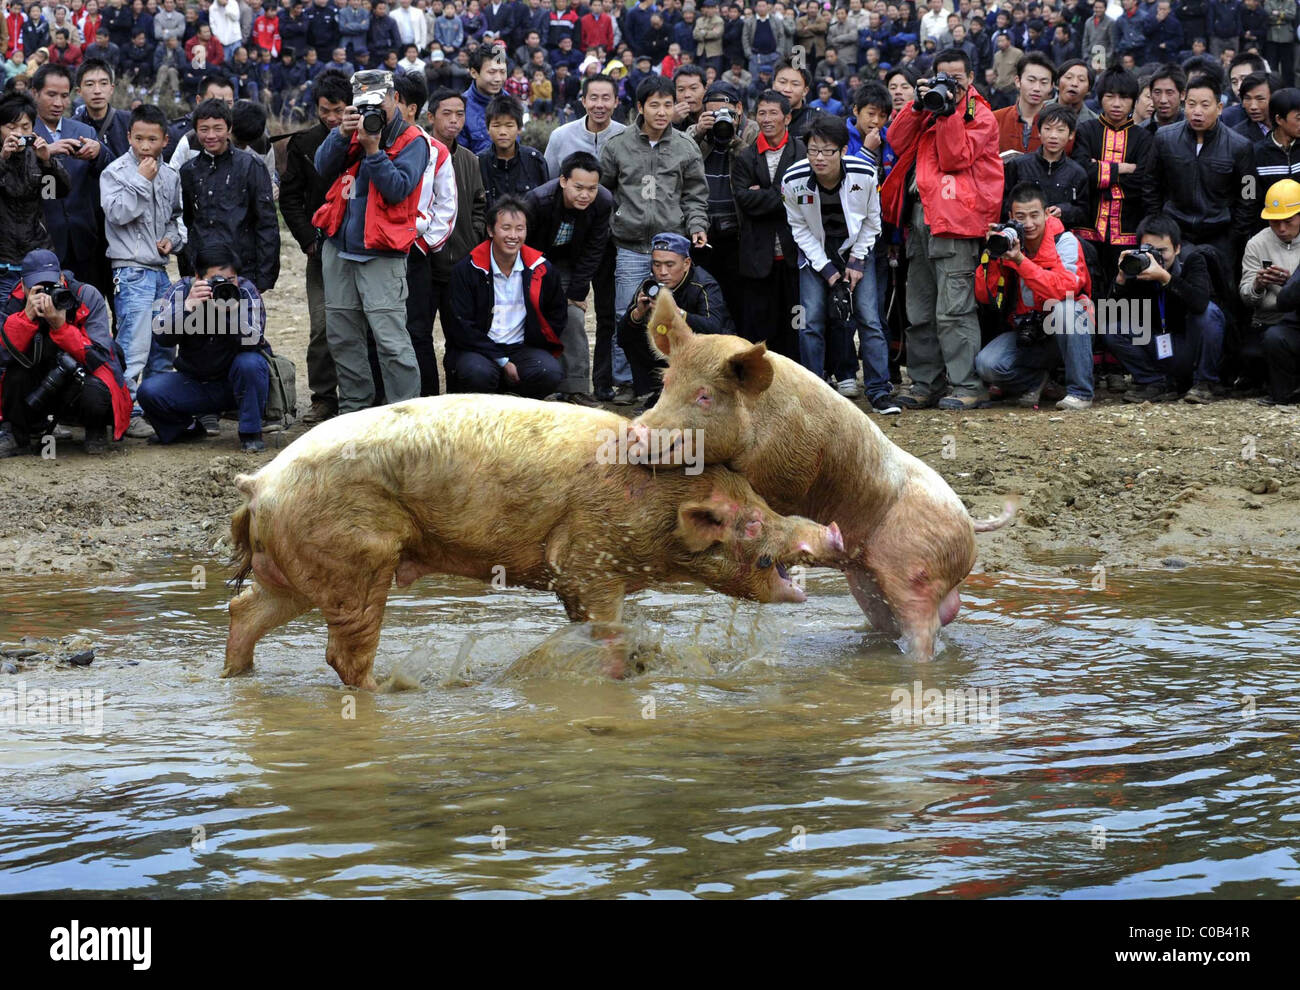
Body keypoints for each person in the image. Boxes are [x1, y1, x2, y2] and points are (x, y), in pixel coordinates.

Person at [880, 47, 1003, 411]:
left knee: (954, 310)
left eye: (957, 79)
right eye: (942, 78)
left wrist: (947, 112)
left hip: (957, 222)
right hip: (919, 219)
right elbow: (896, 140)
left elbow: (955, 158)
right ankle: (925, 383)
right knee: (920, 309)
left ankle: (967, 384)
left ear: (971, 79)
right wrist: (918, 106)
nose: (949, 86)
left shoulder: (980, 115)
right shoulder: (927, 108)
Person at [313, 68, 428, 413]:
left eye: (379, 103)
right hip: (340, 248)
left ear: (395, 98)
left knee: (391, 341)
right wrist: (340, 133)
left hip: (381, 254)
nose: (372, 111)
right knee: (343, 337)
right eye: (363, 104)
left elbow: (397, 190)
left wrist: (374, 150)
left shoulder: (413, 141)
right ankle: (354, 410)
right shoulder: (353, 129)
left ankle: (404, 416)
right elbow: (322, 167)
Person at [600, 74, 708, 405]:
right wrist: (613, 223)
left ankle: (670, 378)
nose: (662, 112)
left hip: (671, 246)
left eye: (668, 104)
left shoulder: (685, 147)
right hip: (630, 246)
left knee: (670, 314)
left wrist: (697, 225)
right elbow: (604, 192)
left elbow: (695, 194)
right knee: (628, 312)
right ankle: (626, 381)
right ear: (640, 108)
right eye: (654, 105)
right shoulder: (618, 145)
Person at [782, 114, 895, 412]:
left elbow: (873, 221)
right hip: (816, 252)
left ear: (844, 150)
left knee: (869, 318)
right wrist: (827, 270)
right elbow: (799, 230)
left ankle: (879, 390)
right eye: (812, 150)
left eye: (827, 151)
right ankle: (814, 393)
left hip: (857, 247)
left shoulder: (863, 173)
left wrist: (857, 260)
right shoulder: (793, 180)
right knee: (810, 321)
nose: (819, 158)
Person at [100, 102, 183, 441]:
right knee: (133, 346)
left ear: (165, 140)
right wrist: (139, 180)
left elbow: (177, 219)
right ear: (128, 136)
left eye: (153, 139)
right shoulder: (116, 172)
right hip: (130, 272)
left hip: (160, 270)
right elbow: (116, 214)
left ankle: (156, 407)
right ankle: (126, 411)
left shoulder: (171, 175)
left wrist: (172, 240)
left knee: (164, 347)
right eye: (139, 139)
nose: (145, 146)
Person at [973, 181, 1095, 411]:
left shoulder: (1065, 241)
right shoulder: (1009, 242)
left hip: (1070, 332)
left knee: (1066, 309)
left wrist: (1021, 261)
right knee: (987, 364)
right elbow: (984, 296)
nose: (1028, 224)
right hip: (1029, 332)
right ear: (1010, 215)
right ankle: (1038, 381)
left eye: (1034, 215)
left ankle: (1080, 392)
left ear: (1047, 214)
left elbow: (1063, 289)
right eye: (1020, 217)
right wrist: (993, 253)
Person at [140, 244, 271, 452]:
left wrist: (228, 313)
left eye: (231, 279)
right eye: (216, 281)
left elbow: (254, 340)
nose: (226, 285)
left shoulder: (245, 291)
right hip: (196, 381)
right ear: (198, 277)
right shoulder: (182, 290)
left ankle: (251, 434)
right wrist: (188, 307)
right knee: (149, 391)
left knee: (250, 363)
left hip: (236, 381)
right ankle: (187, 429)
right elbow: (162, 338)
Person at [0, 247, 129, 456]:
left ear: (61, 277)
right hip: (41, 378)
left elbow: (101, 358)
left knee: (98, 385)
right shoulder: (15, 301)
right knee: (15, 375)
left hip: (79, 378)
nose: (46, 294)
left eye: (52, 285)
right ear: (22, 285)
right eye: (37, 288)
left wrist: (60, 326)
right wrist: (25, 318)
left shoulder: (85, 295)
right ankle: (19, 436)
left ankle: (95, 429)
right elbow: (3, 356)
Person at [279, 69, 349, 424]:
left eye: (339, 109)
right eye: (326, 110)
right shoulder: (304, 144)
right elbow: (289, 200)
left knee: (360, 324)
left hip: (361, 249)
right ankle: (324, 396)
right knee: (322, 325)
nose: (333, 118)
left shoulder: (366, 140)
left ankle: (358, 397)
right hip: (320, 250)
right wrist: (307, 239)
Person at [444, 194, 567, 397]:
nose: (513, 235)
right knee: (477, 374)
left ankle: (517, 402)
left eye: (520, 229)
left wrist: (539, 344)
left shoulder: (541, 268)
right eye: (506, 228)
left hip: (521, 347)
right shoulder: (468, 269)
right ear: (490, 230)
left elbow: (557, 313)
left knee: (549, 372)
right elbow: (461, 325)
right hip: (479, 348)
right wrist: (502, 361)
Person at [1105, 213, 1227, 404]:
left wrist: (1165, 278)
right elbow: (1110, 315)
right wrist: (1121, 278)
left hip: (1188, 343)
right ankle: (1154, 382)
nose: (1156, 258)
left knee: (1209, 313)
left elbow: (1200, 303)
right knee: (1112, 328)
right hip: (1158, 343)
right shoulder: (1138, 266)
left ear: (1177, 248)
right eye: (1149, 250)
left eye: (1162, 251)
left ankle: (1205, 383)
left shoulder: (1192, 259)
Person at [524, 150, 612, 406]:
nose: (585, 195)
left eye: (592, 188)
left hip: (571, 261)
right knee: (534, 314)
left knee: (573, 315)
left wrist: (576, 293)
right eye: (579, 187)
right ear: (563, 181)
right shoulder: (537, 200)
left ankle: (575, 387)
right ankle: (534, 384)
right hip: (535, 259)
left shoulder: (604, 201)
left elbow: (595, 250)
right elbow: (522, 244)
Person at [1146, 72, 1255, 267]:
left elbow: (1249, 195)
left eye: (1205, 105)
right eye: (1191, 104)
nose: (1197, 111)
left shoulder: (1240, 146)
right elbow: (1150, 185)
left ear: (1219, 108)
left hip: (1220, 234)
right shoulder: (1164, 138)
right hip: (1175, 231)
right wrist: (1160, 225)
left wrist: (1234, 234)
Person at [615, 230, 732, 404]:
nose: (662, 272)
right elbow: (622, 338)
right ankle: (656, 392)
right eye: (656, 264)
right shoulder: (650, 285)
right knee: (634, 335)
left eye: (670, 265)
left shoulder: (704, 285)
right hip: (671, 349)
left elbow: (714, 328)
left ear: (686, 263)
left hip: (707, 353)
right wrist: (637, 313)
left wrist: (678, 314)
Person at [395, 70, 456, 398]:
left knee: (418, 329)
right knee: (381, 330)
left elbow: (447, 206)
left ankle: (428, 400)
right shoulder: (374, 144)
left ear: (410, 108)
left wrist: (423, 244)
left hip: (415, 252)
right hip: (377, 252)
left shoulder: (435, 151)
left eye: (395, 101)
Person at [179, 98, 279, 293]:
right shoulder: (189, 171)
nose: (211, 135)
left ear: (229, 128)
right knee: (203, 323)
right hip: (202, 271)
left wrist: (264, 277)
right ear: (195, 130)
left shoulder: (251, 165)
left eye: (218, 128)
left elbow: (266, 223)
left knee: (240, 322)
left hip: (242, 270)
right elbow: (189, 221)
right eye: (204, 129)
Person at [731, 87, 801, 358]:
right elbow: (744, 200)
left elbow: (802, 199)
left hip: (795, 255)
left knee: (795, 323)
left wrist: (764, 194)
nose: (767, 118)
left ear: (787, 118)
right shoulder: (746, 156)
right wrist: (782, 195)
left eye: (774, 112)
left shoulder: (803, 151)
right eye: (762, 113)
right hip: (758, 257)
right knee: (759, 325)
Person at [427, 86, 487, 393]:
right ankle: (425, 399)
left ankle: (457, 396)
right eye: (446, 114)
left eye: (460, 114)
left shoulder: (468, 159)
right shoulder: (419, 153)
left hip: (461, 264)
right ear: (431, 116)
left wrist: (474, 237)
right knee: (420, 334)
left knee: (459, 335)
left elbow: (479, 206)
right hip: (424, 262)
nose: (454, 121)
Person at [1072, 67, 1152, 289]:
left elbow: (1142, 182)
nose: (1117, 104)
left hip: (1127, 229)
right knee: (1088, 286)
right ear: (1100, 98)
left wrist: (1099, 171)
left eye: (1124, 97)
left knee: (1125, 287)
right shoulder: (1086, 131)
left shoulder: (1143, 138)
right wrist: (1122, 169)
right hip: (1087, 226)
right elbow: (1081, 174)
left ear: (1134, 101)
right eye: (1110, 97)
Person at [31, 64, 108, 292]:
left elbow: (110, 173)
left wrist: (99, 153)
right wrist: (46, 153)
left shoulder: (84, 131)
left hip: (82, 238)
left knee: (84, 307)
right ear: (35, 93)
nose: (58, 103)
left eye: (64, 96)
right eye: (51, 95)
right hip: (41, 239)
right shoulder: (26, 132)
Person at [0, 92, 69, 303]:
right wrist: (3, 158)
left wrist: (47, 163)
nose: (18, 133)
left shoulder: (38, 156)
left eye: (25, 127)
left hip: (36, 253)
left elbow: (56, 192)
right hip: (3, 257)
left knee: (40, 318)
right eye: (11, 128)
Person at [1239, 178, 1300, 382]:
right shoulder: (1257, 244)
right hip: (1267, 321)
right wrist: (1257, 286)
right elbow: (1246, 297)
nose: (1281, 228)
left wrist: (1292, 285)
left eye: (1288, 221)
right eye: (1275, 221)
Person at [1003, 105, 1088, 229]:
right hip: (1023, 230)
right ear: (1039, 132)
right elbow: (1005, 203)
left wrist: (1064, 211)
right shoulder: (1018, 165)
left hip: (1059, 234)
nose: (1053, 135)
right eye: (1048, 129)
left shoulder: (1077, 173)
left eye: (1060, 130)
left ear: (1071, 135)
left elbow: (1083, 211)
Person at [478, 92, 547, 207]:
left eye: (509, 126)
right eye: (496, 126)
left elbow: (545, 203)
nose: (503, 132)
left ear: (519, 128)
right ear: (488, 129)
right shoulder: (479, 163)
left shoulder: (535, 160)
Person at [992, 52, 1056, 154]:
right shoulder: (995, 119)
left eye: (1044, 82)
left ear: (1051, 86)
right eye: (1031, 80)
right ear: (1018, 81)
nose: (1037, 88)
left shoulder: (1058, 125)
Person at [72, 58, 130, 160]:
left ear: (111, 88)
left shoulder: (128, 121)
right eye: (90, 84)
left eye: (103, 83)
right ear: (79, 91)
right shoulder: (72, 127)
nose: (97, 91)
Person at [463, 42, 506, 154]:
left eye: (502, 72)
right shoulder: (461, 107)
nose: (498, 79)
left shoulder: (510, 102)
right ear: (474, 73)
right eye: (492, 72)